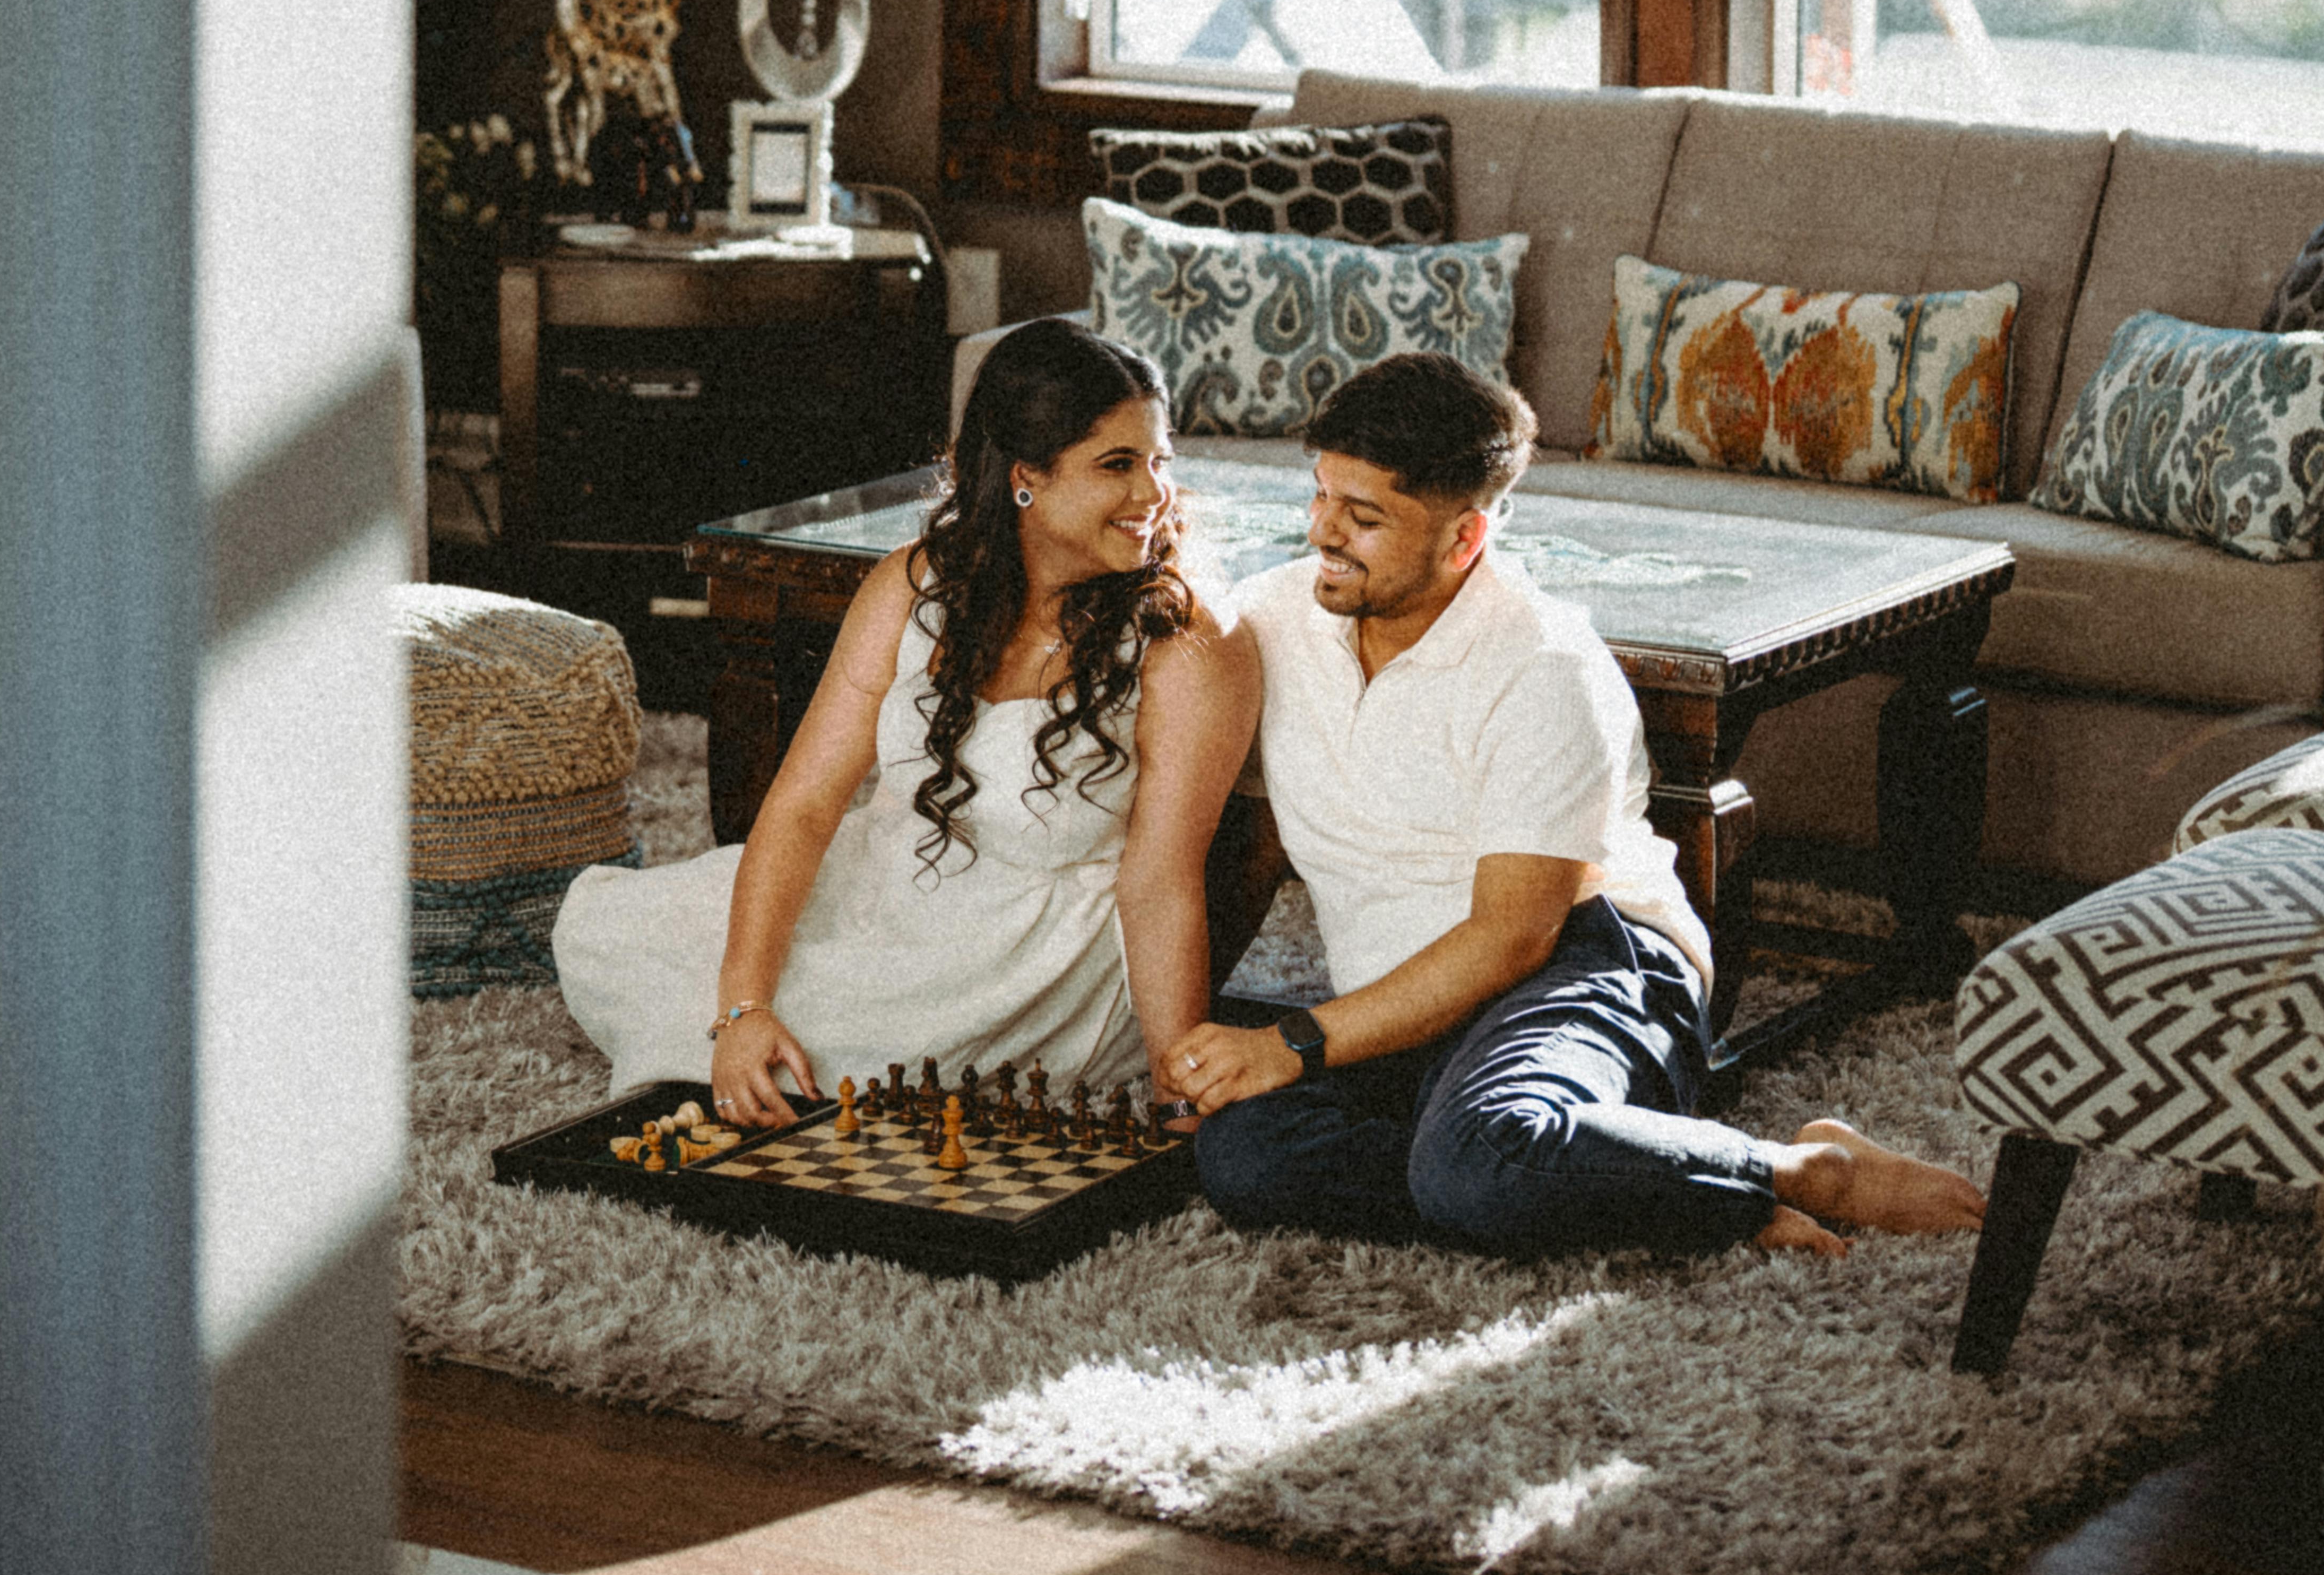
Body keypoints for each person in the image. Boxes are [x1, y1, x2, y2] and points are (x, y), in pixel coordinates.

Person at [1161, 351, 1986, 1258]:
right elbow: (1244, 842)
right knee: (1245, 1157)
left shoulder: (1545, 666)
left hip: (1584, 961)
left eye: (1363, 518)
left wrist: (1293, 1043)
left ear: (1464, 539)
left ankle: (1792, 1171)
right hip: (1399, 997)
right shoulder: (1275, 619)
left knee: (1478, 1159)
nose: (1322, 531)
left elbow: (1511, 937)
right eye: (1320, 496)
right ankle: (1573, 1168)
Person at [555, 320, 1260, 1127]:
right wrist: (744, 1005)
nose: (1154, 495)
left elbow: (1161, 882)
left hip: (1038, 955)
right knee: (613, 937)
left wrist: (1177, 1086)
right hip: (893, 876)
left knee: (831, 1051)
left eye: (1160, 461)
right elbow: (805, 804)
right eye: (1118, 465)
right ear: (1025, 477)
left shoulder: (1187, 641)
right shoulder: (915, 584)